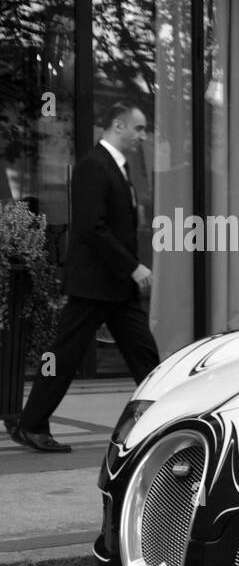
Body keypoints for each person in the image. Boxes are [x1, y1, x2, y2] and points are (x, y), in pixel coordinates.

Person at [8, 103, 159, 453]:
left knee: (145, 357)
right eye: (138, 129)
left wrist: (127, 272)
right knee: (63, 358)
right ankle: (31, 424)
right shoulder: (94, 166)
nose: (143, 136)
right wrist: (132, 267)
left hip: (115, 289)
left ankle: (163, 421)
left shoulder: (115, 168)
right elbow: (93, 228)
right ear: (118, 125)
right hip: (94, 286)